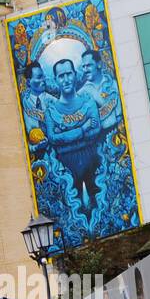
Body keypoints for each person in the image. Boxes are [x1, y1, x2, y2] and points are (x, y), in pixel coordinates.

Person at [43, 58, 103, 211]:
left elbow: (96, 130)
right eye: (61, 76)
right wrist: (83, 128)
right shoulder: (50, 111)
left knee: (98, 203)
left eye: (69, 74)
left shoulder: (89, 102)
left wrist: (66, 135)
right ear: (55, 80)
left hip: (92, 161)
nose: (66, 79)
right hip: (65, 167)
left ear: (75, 75)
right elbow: (53, 138)